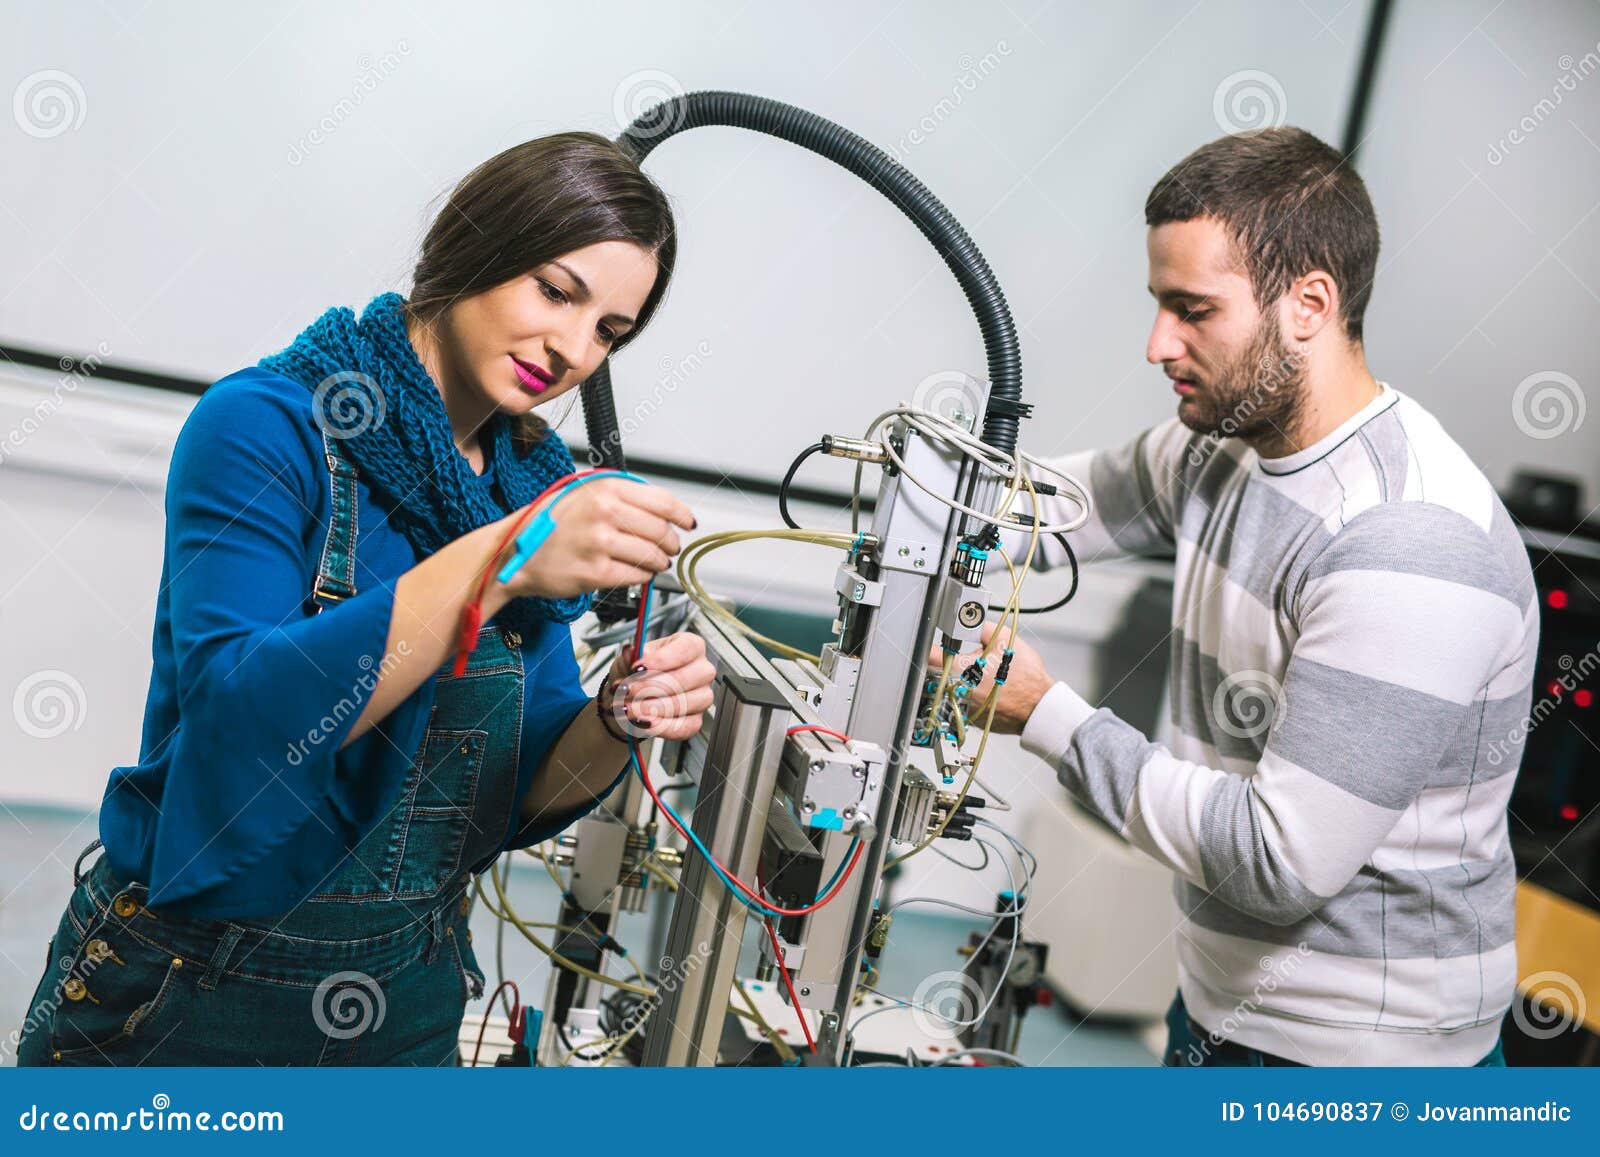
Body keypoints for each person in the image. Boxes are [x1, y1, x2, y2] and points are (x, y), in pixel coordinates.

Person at [17, 132, 714, 1066]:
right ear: (478, 246)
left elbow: (512, 799)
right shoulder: (268, 425)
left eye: (609, 332)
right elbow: (241, 716)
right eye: (555, 290)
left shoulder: (525, 487)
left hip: (404, 999)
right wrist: (497, 563)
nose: (573, 349)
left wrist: (617, 720)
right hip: (193, 994)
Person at [958, 127, 1533, 1066]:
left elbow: (1279, 861)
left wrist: (1045, 715)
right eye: (1157, 305)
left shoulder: (1410, 538)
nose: (1157, 344)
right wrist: (915, 492)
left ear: (1309, 304)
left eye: (1193, 310)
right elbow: (1041, 508)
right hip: (1222, 1007)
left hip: (1361, 1065)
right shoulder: (1220, 449)